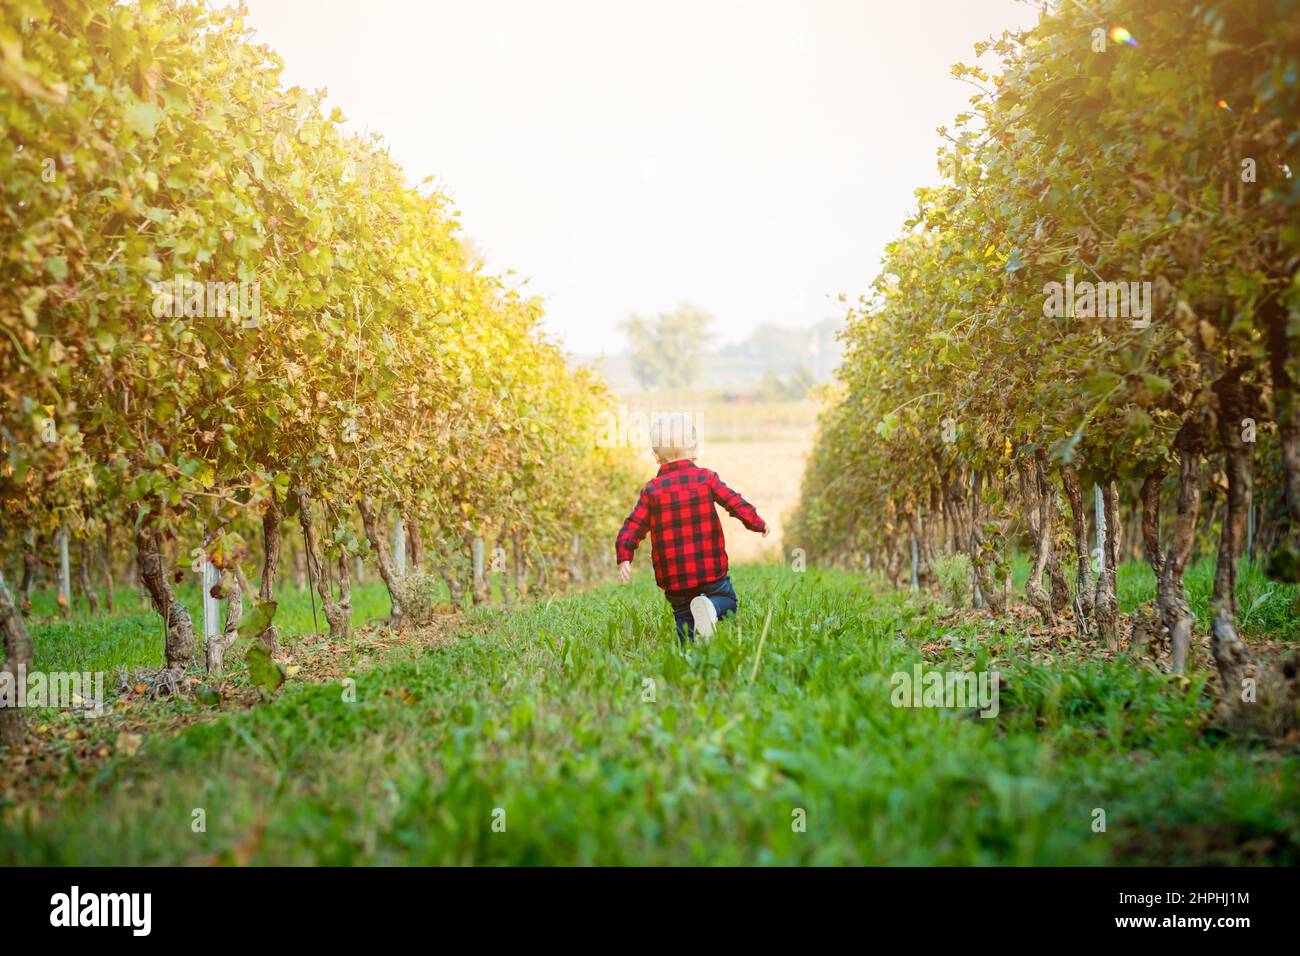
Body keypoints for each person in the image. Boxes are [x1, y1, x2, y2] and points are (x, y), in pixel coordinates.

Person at [615, 412, 768, 640]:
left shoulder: (652, 491)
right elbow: (733, 502)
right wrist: (757, 523)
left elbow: (634, 524)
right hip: (710, 570)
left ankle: (688, 657)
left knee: (683, 616)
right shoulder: (706, 479)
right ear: (695, 449)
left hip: (675, 577)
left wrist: (624, 554)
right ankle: (712, 608)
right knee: (727, 602)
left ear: (656, 456)